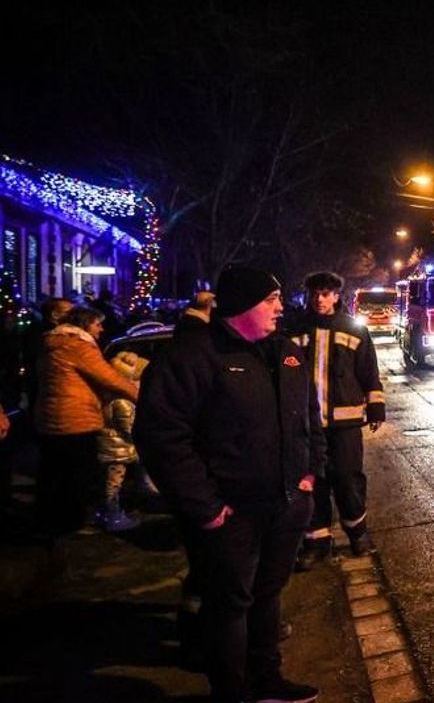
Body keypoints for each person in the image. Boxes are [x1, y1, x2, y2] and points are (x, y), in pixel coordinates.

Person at [135, 265, 324, 703]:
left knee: (268, 595)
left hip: (286, 503)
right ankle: (231, 691)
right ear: (240, 305)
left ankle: (267, 678)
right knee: (228, 606)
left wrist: (311, 473)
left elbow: (309, 419)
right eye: (270, 300)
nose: (281, 307)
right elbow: (162, 436)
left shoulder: (286, 352)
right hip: (230, 513)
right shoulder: (194, 356)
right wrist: (205, 505)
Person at [290, 271, 384, 570]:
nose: (320, 299)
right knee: (312, 483)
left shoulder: (353, 329)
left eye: (326, 293)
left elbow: (368, 369)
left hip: (345, 425)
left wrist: (376, 406)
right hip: (306, 425)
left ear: (336, 296)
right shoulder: (295, 329)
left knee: (347, 478)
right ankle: (317, 541)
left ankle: (357, 533)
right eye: (315, 293)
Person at [34, 306, 139, 537]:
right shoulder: (76, 345)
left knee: (53, 473)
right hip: (74, 418)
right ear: (85, 324)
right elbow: (108, 376)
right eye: (97, 324)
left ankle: (49, 521)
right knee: (75, 475)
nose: (101, 329)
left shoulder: (53, 343)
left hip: (51, 416)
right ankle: (69, 523)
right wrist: (139, 395)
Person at [94, 351, 150, 532]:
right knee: (113, 484)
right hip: (117, 451)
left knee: (110, 482)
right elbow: (130, 428)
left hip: (112, 448)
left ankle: (106, 512)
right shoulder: (123, 402)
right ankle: (112, 515)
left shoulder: (110, 398)